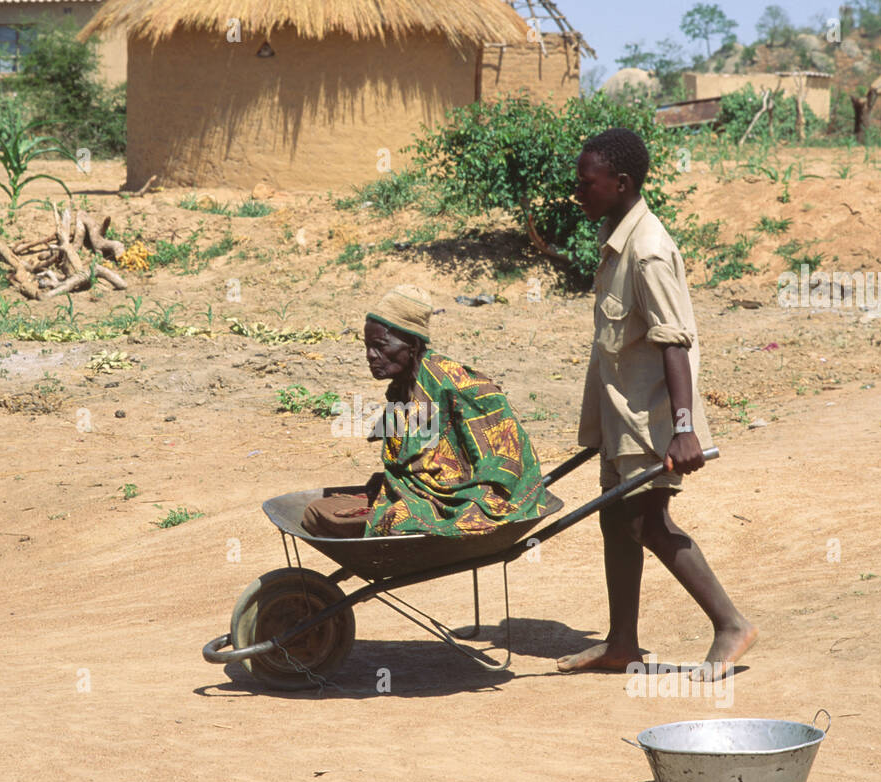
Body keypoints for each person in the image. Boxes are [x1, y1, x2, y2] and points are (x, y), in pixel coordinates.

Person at [556, 128, 757, 679]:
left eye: (587, 183)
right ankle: (621, 643)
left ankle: (730, 624)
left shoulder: (646, 251)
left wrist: (685, 429)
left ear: (620, 183)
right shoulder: (616, 236)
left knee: (648, 522)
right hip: (623, 415)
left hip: (655, 418)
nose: (579, 192)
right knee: (615, 523)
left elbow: (674, 341)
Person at [302, 285, 551, 539]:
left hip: (463, 497)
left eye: (379, 346)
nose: (370, 356)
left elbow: (501, 438)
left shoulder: (450, 381)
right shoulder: (403, 387)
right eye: (367, 346)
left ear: (411, 344)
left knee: (388, 521)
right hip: (424, 491)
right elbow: (417, 451)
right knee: (316, 512)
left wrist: (481, 498)